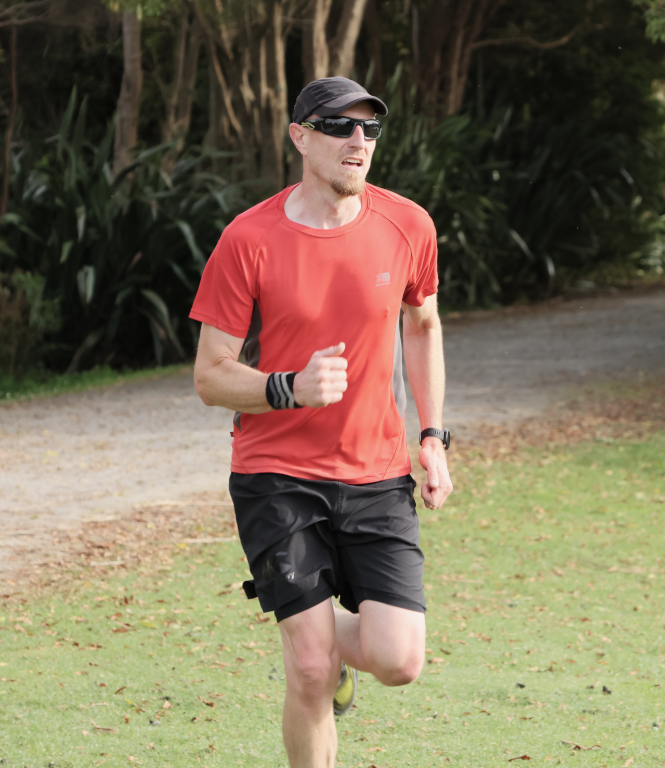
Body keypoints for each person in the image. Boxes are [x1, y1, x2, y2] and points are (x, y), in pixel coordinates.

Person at [190, 76, 453, 768]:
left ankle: (313, 625)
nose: (357, 141)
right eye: (339, 127)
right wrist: (287, 387)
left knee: (398, 661)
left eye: (368, 128)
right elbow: (209, 373)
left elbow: (422, 328)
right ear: (300, 138)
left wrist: (433, 436)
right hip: (276, 477)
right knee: (309, 670)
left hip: (376, 473)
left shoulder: (408, 226)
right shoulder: (249, 238)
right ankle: (310, 639)